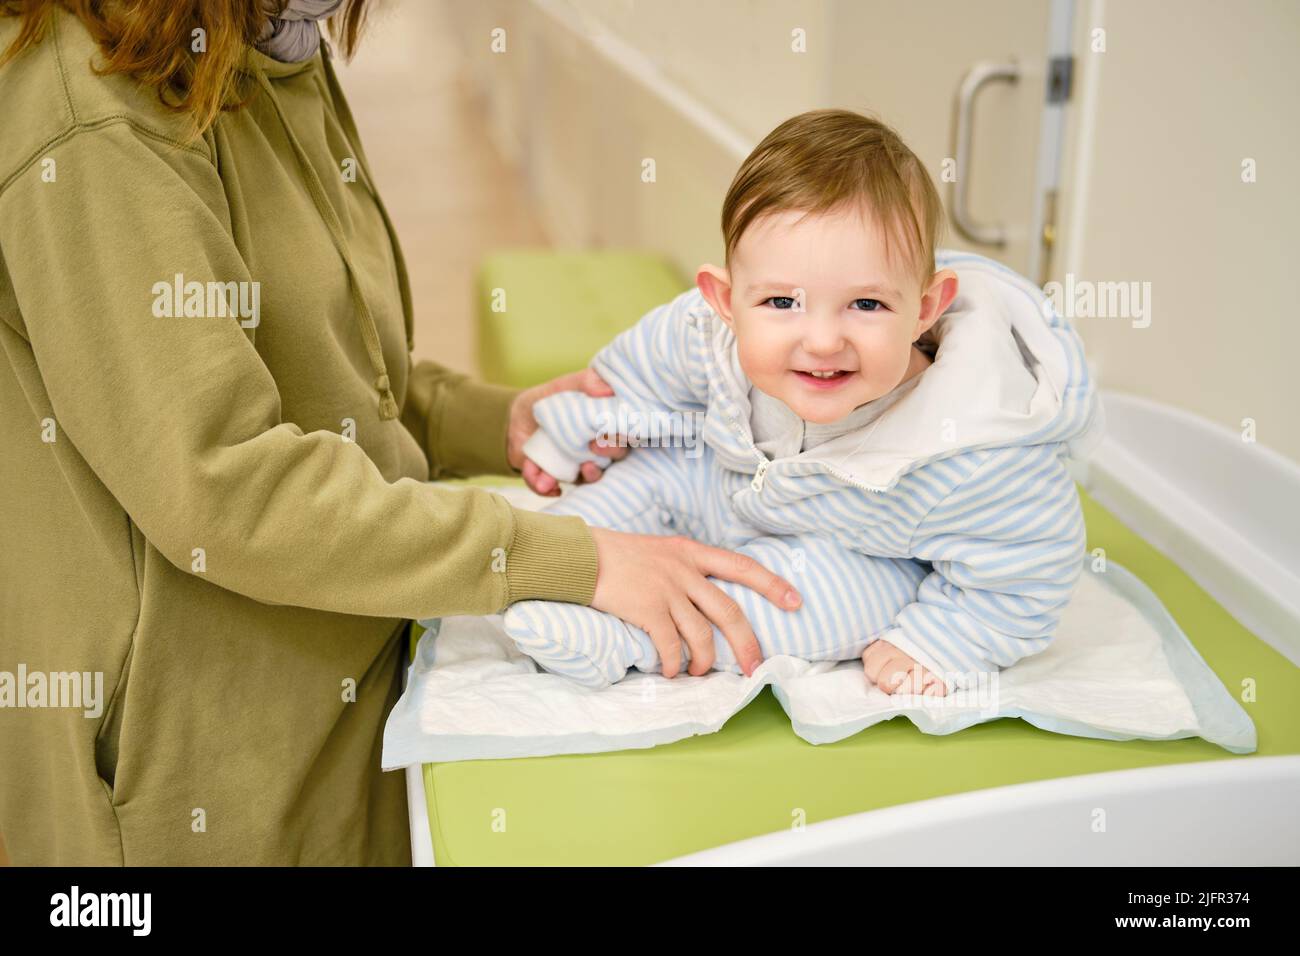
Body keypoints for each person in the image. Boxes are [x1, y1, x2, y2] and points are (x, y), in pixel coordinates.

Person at [0, 0, 799, 865]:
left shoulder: (266, 46)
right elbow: (220, 486)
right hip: (195, 746)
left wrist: (495, 422)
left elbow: (322, 364)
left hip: (342, 667)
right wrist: (570, 558)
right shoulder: (94, 121)